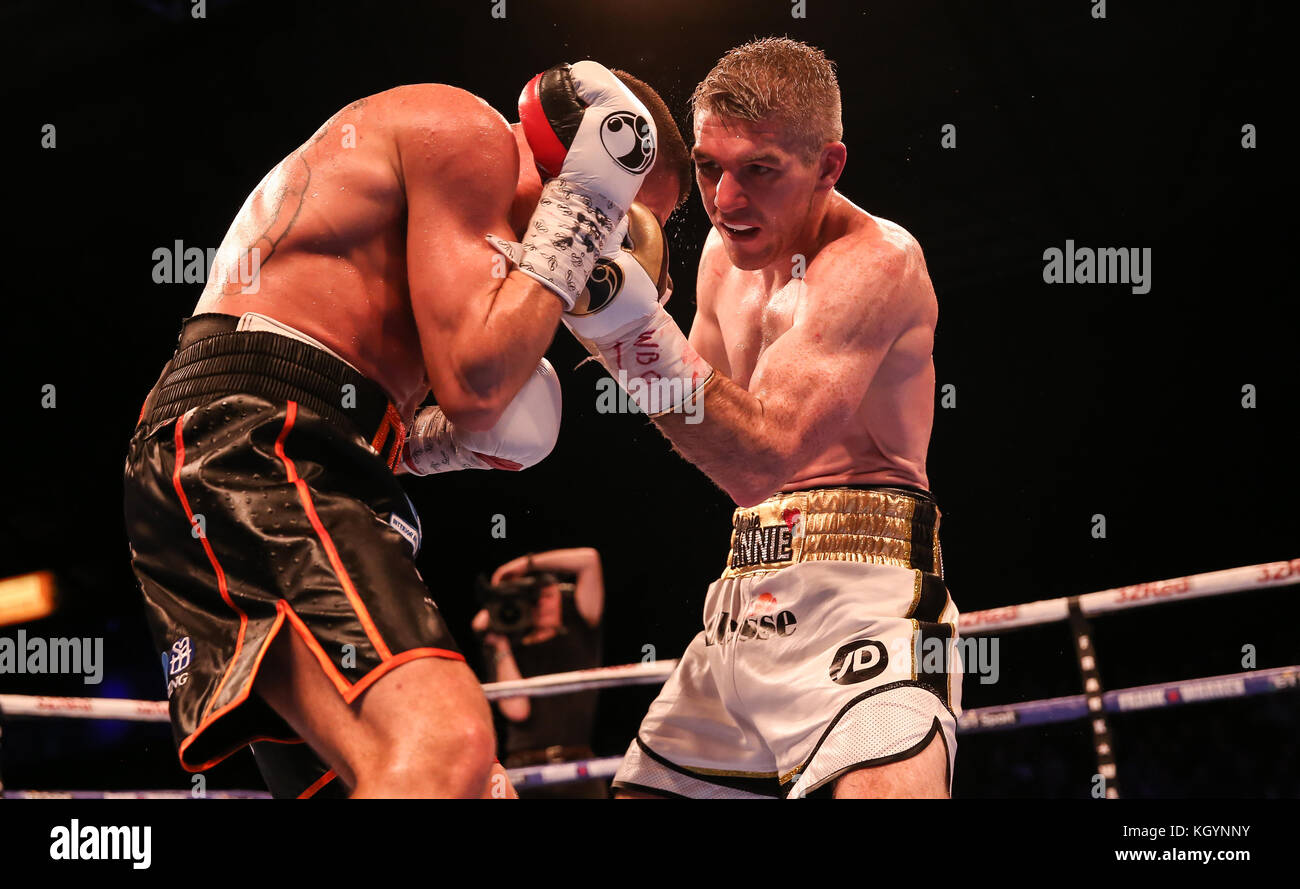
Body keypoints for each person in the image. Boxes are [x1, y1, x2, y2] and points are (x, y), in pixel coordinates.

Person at [123, 61, 692, 798]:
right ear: (583, 148)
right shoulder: (465, 131)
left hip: (267, 459)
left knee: (468, 786)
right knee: (446, 747)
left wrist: (424, 443)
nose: (606, 248)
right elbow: (478, 385)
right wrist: (580, 208)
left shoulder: (452, 254)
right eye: (619, 213)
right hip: (255, 450)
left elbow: (379, 386)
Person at [562, 38, 962, 798]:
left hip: (864, 599)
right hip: (743, 595)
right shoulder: (721, 258)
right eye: (709, 167)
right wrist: (606, 316)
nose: (725, 200)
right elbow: (708, 426)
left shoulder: (877, 262)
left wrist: (627, 327)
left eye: (759, 170)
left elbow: (762, 455)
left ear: (829, 166)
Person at [474, 548, 606, 798]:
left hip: (578, 771)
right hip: (525, 773)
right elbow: (517, 709)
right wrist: (499, 644)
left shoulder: (579, 624)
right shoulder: (507, 644)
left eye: (546, 595)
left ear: (560, 594)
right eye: (531, 598)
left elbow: (589, 559)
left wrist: (526, 564)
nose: (540, 604)